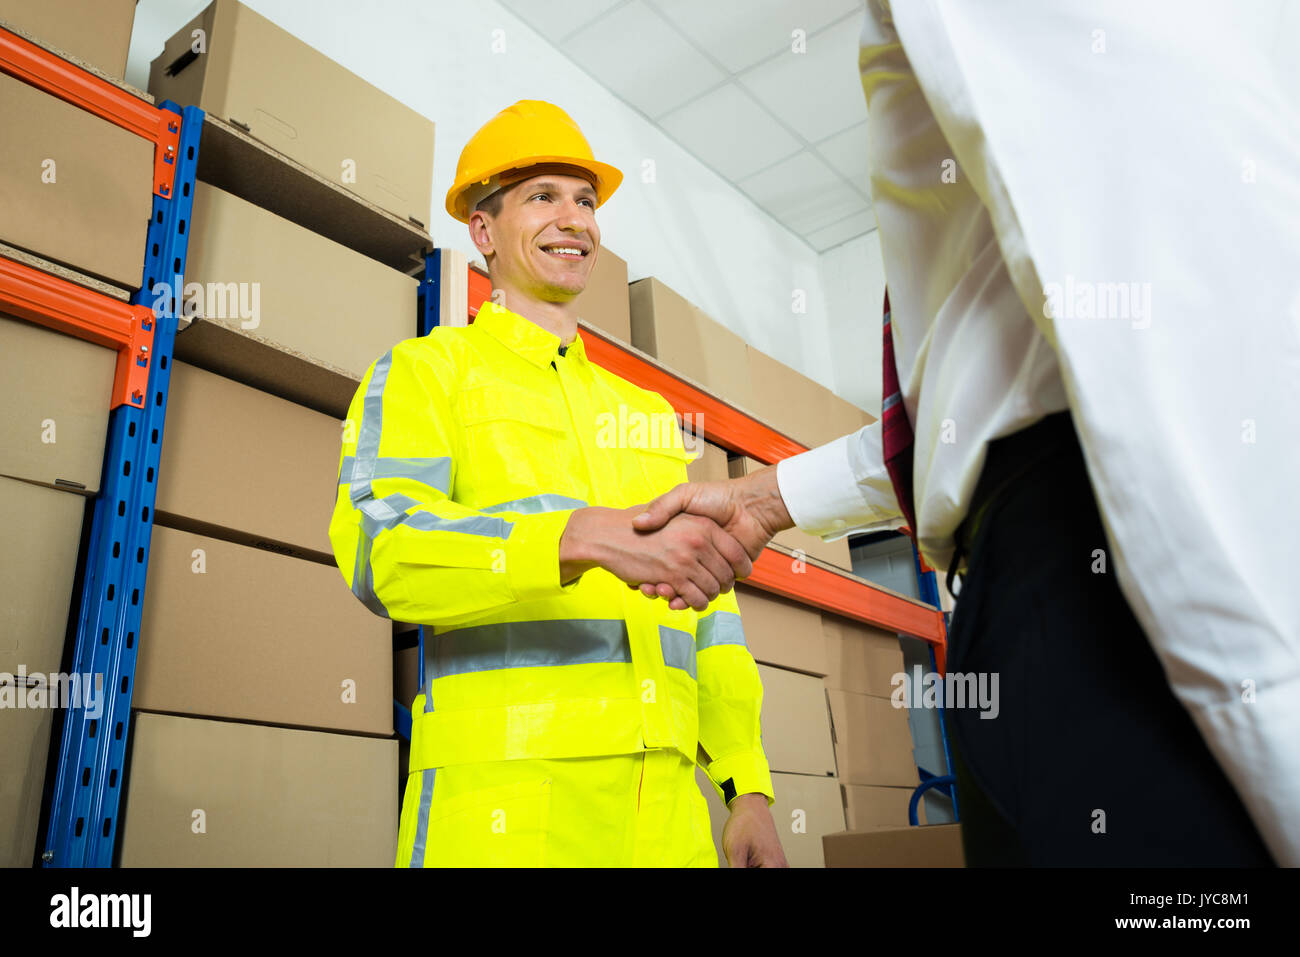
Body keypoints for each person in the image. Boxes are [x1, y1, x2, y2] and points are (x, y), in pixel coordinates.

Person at [629, 0, 1298, 867]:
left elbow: (1137, 319)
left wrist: (1273, 715)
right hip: (1072, 573)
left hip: (1125, 579)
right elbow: (993, 378)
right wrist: (768, 498)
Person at [328, 100, 787, 867]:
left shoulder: (643, 414)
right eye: (543, 196)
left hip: (669, 824)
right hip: (504, 818)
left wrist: (748, 789)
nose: (574, 219)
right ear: (483, 231)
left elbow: (713, 615)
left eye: (586, 200)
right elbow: (382, 546)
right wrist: (576, 538)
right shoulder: (426, 374)